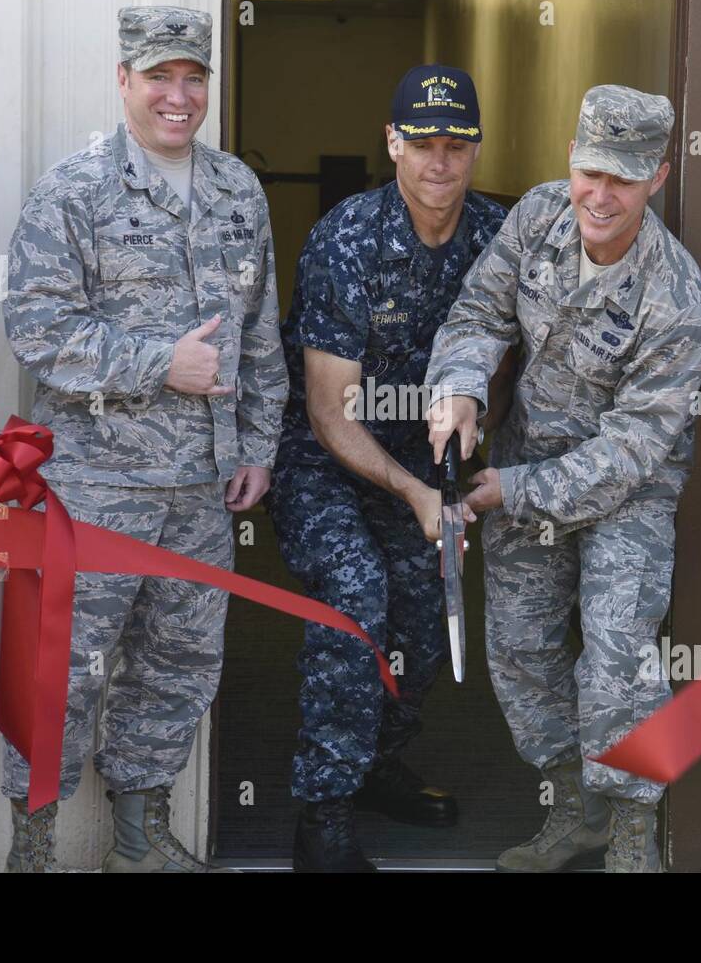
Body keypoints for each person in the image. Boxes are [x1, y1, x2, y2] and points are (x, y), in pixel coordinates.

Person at [2, 6, 286, 872]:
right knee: (66, 671)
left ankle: (139, 839)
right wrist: (161, 363)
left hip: (202, 489)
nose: (177, 94)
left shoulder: (238, 189)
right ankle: (35, 848)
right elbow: (38, 328)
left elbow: (261, 331)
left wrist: (258, 445)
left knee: (177, 667)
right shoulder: (74, 192)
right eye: (158, 76)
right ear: (123, 81)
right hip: (96, 491)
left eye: (193, 77)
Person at [426, 84, 701, 873]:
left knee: (619, 653)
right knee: (519, 649)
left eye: (622, 179)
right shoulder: (538, 215)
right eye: (591, 170)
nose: (600, 195)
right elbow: (478, 314)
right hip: (524, 458)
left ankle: (629, 831)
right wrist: (458, 388)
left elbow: (630, 450)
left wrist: (509, 490)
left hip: (627, 490)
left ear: (657, 178)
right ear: (571, 159)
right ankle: (574, 810)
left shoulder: (679, 298)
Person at [267, 64, 507, 872]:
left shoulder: (494, 234)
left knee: (422, 631)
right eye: (423, 144)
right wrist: (415, 494)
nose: (440, 163)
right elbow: (332, 411)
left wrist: (458, 484)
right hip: (328, 463)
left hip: (425, 467)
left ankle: (375, 765)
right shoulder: (349, 237)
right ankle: (323, 814)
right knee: (356, 600)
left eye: (457, 145)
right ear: (392, 144)